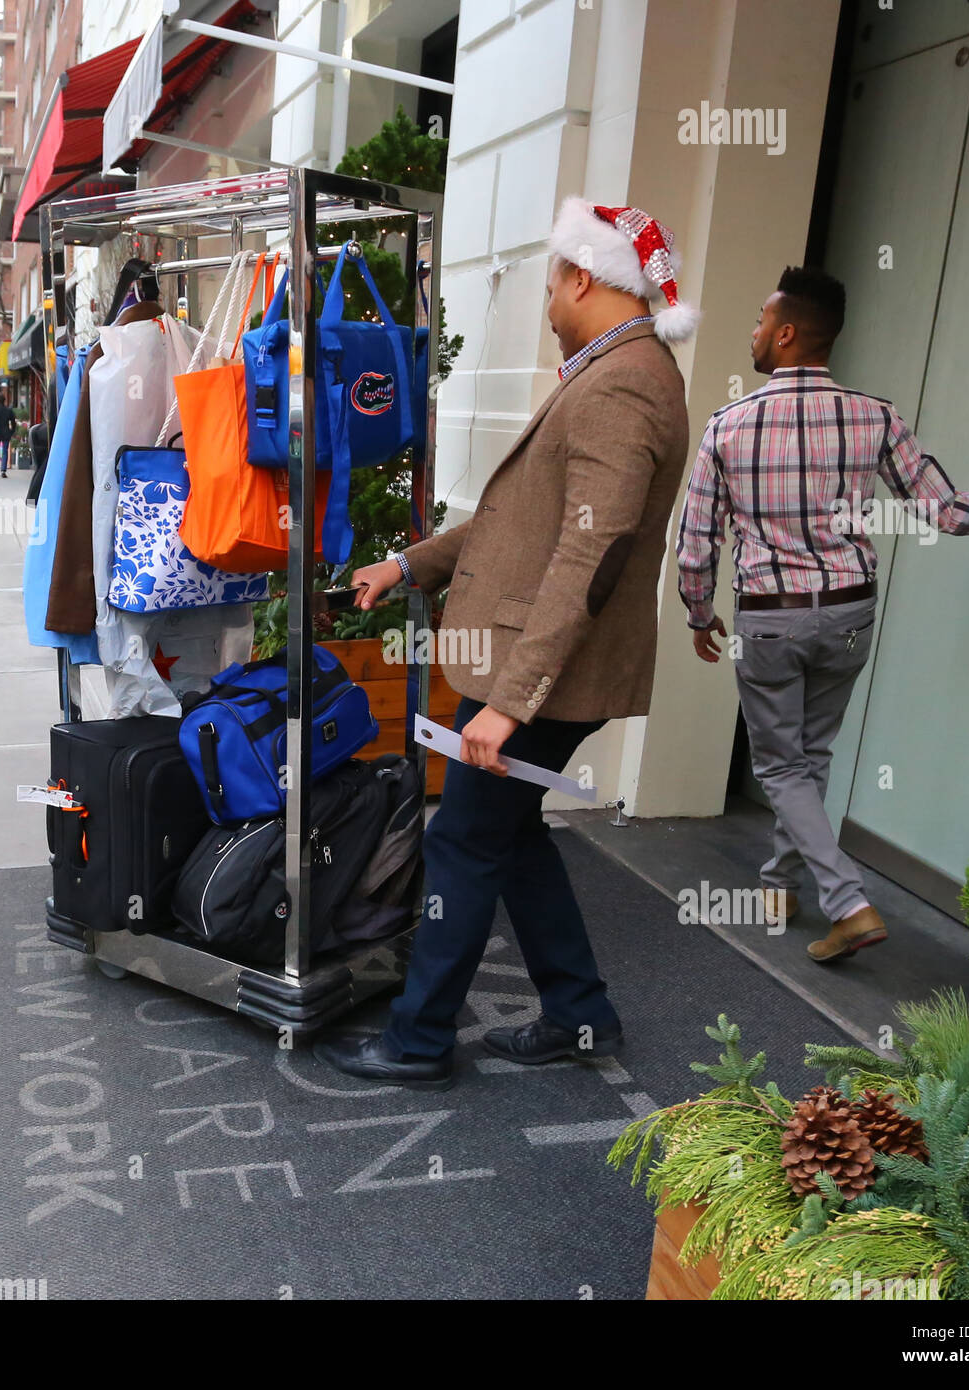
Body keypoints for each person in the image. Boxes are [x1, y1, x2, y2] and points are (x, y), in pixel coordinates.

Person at [314, 198, 698, 1089]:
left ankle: (417, 1042)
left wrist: (510, 702)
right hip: (544, 666)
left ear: (579, 277)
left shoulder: (626, 381)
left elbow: (587, 554)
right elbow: (513, 525)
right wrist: (408, 567)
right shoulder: (610, 370)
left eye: (550, 283)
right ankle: (580, 1013)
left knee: (464, 840)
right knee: (512, 837)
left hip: (548, 674)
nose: (547, 302)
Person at [676, 266, 969, 964]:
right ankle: (779, 882)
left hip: (770, 619)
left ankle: (848, 902)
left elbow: (694, 540)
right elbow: (945, 510)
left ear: (785, 333)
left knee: (779, 766)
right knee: (810, 755)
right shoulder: (875, 416)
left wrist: (697, 609)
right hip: (849, 614)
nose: (749, 333)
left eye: (756, 321)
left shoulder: (729, 424)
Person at [0, 391, 17, 477]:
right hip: (6, 432)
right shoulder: (8, 410)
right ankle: (3, 470)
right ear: (4, 400)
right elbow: (13, 422)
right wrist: (12, 431)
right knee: (5, 451)